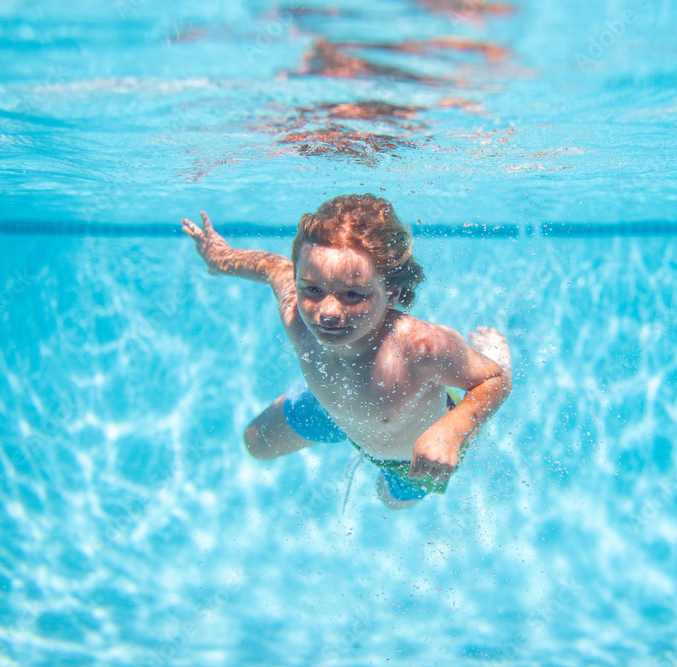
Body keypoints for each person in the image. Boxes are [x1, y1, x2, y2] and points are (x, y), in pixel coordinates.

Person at [181, 195, 512, 509]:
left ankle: (493, 350)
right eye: (312, 289)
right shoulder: (295, 312)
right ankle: (342, 417)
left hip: (409, 453)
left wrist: (451, 431)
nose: (327, 310)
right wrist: (218, 258)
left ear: (392, 293)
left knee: (391, 501)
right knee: (256, 442)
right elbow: (272, 267)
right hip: (337, 409)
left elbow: (494, 383)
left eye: (352, 294)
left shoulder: (420, 348)